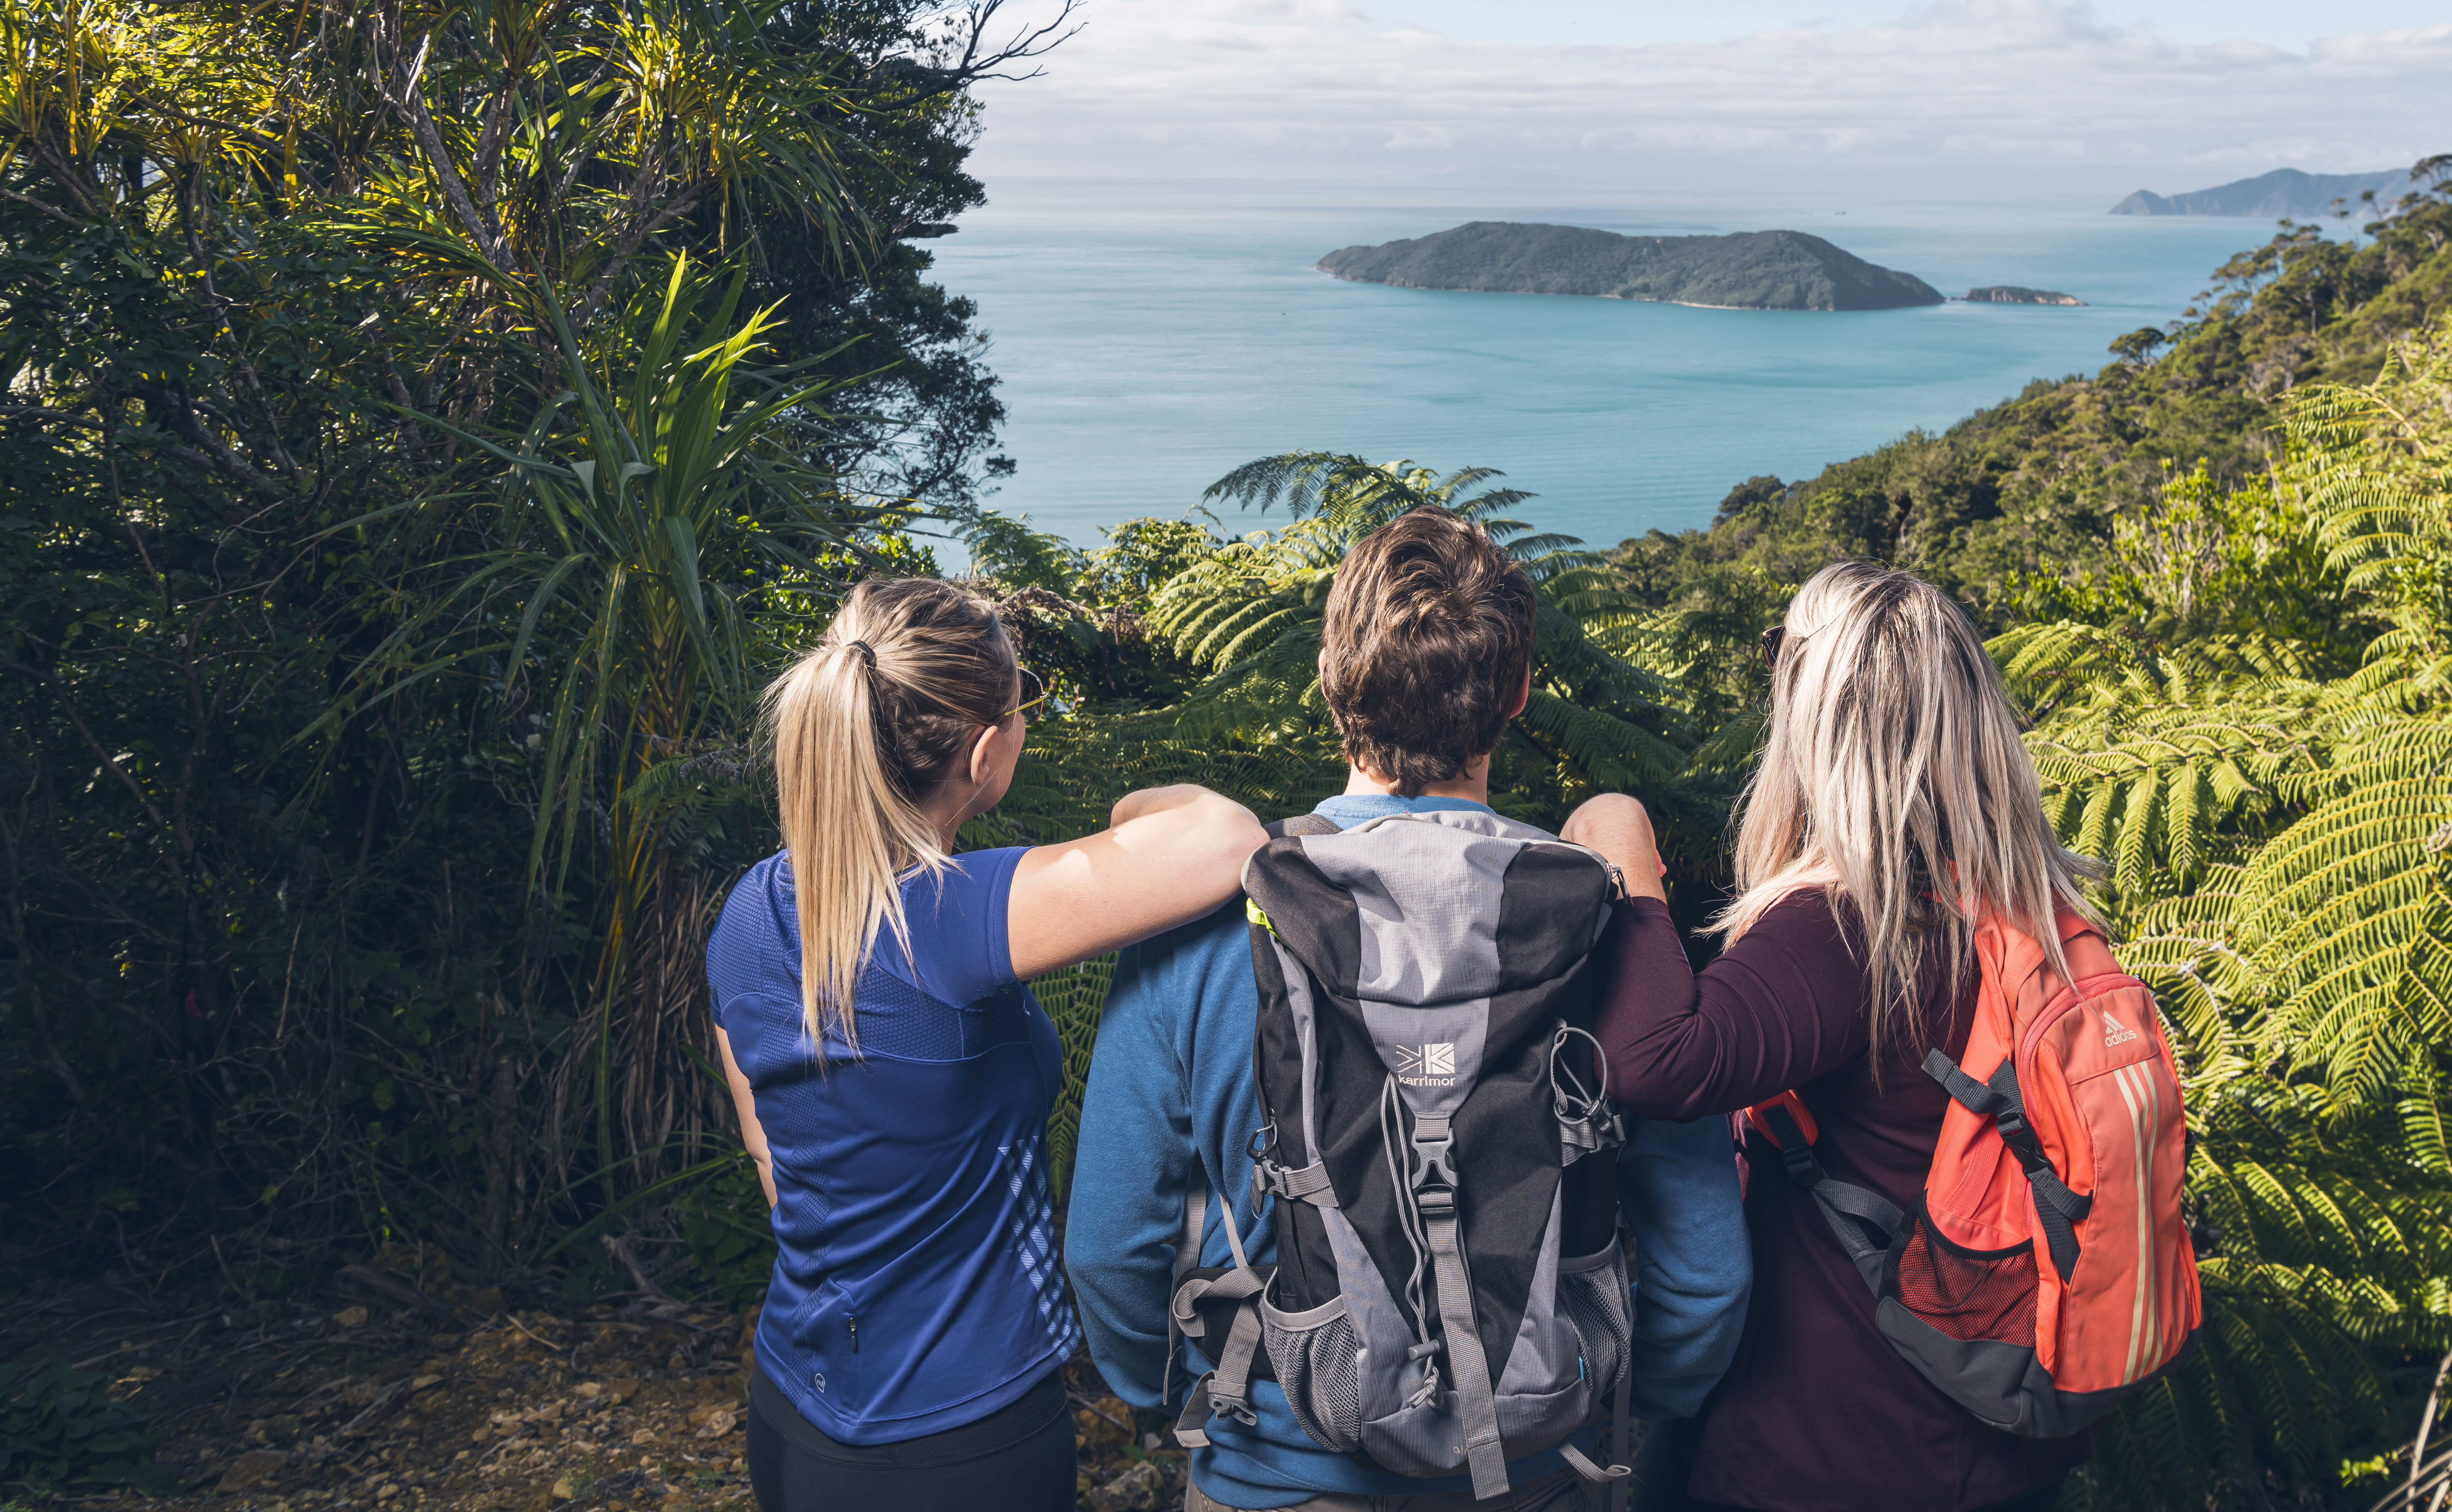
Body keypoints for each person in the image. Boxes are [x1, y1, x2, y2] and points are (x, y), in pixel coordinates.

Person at [1065, 507, 1753, 1512]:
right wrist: (1622, 1402)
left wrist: (1178, 1397)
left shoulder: (1205, 935)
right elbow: (1708, 1274)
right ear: (1518, 695)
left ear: (1331, 677)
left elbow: (1109, 1249)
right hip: (1533, 1479)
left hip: (1275, 1475)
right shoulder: (1602, 936)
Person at [708, 576, 1271, 1512]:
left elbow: (770, 1148)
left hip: (795, 1410)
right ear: (983, 750)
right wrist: (1133, 806)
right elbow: (1226, 839)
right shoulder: (953, 920)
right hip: (963, 1439)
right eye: (1024, 709)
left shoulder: (752, 909)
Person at [1562, 560, 2098, 1512]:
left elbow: (1655, 1060)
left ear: (1821, 715)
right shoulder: (2022, 908)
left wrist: (1623, 851)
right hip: (1996, 1437)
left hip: (1829, 1446)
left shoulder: (1858, 926)